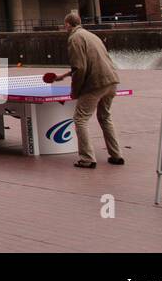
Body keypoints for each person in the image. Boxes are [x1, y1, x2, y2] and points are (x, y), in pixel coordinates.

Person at [53, 10, 124, 168]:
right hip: (111, 81)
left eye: (64, 25)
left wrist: (75, 91)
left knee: (80, 119)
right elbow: (91, 61)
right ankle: (116, 155)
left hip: (96, 83)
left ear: (67, 25)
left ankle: (87, 158)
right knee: (105, 117)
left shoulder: (74, 38)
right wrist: (64, 75)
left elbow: (80, 67)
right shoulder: (91, 35)